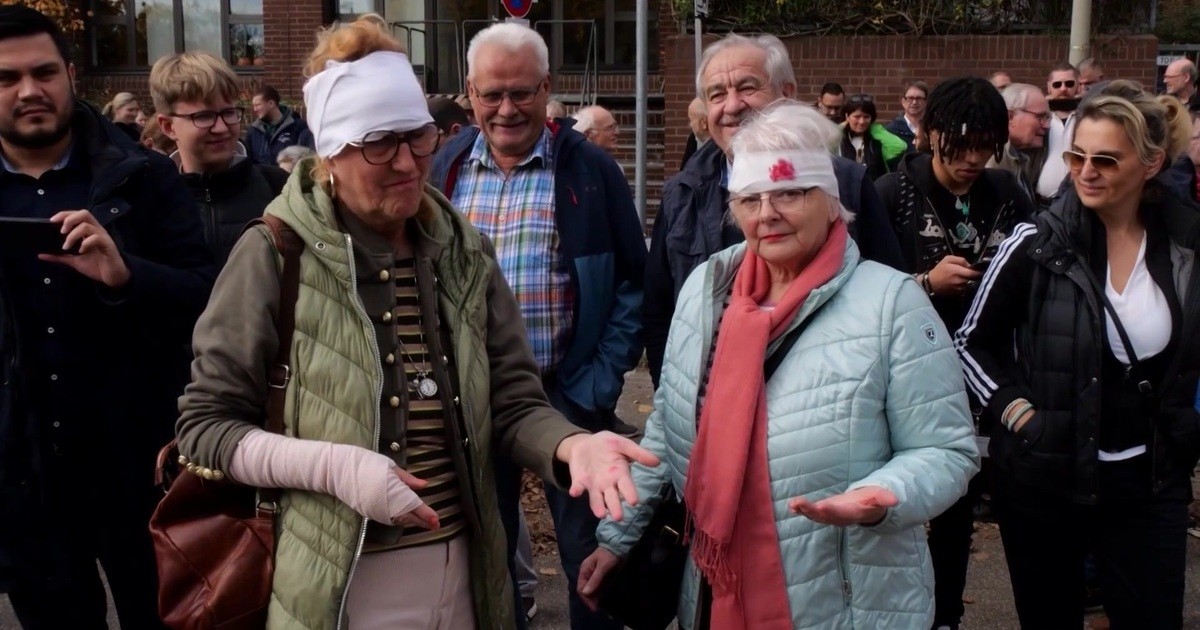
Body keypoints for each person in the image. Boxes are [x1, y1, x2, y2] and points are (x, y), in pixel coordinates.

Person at [176, 16, 658, 630]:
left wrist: (571, 445)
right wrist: (336, 468)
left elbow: (511, 402)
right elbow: (204, 427)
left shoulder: (464, 253)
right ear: (331, 152)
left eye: (419, 137)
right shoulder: (275, 254)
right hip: (337, 580)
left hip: (467, 572)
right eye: (380, 142)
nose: (408, 163)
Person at [580, 100, 980, 630]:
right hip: (711, 589)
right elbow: (672, 431)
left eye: (790, 192)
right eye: (749, 198)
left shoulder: (892, 302)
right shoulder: (706, 288)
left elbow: (946, 448)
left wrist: (886, 496)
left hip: (844, 597)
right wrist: (619, 536)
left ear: (831, 201)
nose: (766, 212)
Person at [0, 6, 216, 628]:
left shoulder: (142, 176)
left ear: (71, 74)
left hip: (137, 468)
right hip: (26, 476)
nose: (29, 91)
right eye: (7, 78)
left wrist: (127, 277)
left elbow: (207, 296)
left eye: (44, 72)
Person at [428, 20, 648, 630]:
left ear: (546, 87)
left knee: (588, 554)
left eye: (521, 92)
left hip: (567, 393)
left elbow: (634, 279)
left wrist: (601, 381)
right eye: (491, 93)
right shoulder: (442, 170)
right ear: (469, 91)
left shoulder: (591, 172)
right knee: (487, 549)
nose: (505, 109)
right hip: (471, 395)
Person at [956, 86, 1200, 630]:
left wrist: (1188, 429)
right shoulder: (1036, 241)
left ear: (1152, 163)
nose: (1086, 172)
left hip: (1149, 485)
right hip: (1045, 482)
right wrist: (1021, 416)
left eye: (1107, 159)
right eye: (1076, 157)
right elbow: (971, 340)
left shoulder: (1187, 243)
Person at [643, 34, 904, 389]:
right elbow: (660, 313)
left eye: (748, 87)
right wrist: (675, 403)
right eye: (717, 94)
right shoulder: (682, 193)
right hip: (712, 407)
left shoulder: (847, 183)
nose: (732, 106)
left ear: (788, 93)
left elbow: (890, 298)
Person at [875, 77, 1034, 630]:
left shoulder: (1009, 194)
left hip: (987, 371)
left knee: (962, 508)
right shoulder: (892, 193)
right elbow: (863, 290)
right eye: (960, 145)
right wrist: (924, 281)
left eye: (984, 146)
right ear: (932, 134)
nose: (971, 159)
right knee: (905, 503)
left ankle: (945, 616)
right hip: (911, 372)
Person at [151, 52, 289, 267]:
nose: (222, 128)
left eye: (229, 113)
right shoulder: (151, 203)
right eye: (204, 116)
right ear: (168, 126)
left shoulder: (280, 188)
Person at [988, 82, 1050, 202]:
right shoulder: (992, 157)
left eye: (1047, 118)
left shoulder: (1023, 153)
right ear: (1010, 116)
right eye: (1040, 117)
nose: (1046, 125)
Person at [1035, 62, 1079, 211]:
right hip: (1042, 203)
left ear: (1078, 85)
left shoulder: (1087, 117)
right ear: (1049, 87)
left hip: (1077, 201)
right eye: (1057, 84)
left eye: (1069, 83)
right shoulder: (1038, 118)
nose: (1063, 89)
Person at [838, 93, 906, 182]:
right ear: (847, 116)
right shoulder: (839, 140)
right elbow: (824, 143)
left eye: (866, 117)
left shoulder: (876, 141)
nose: (862, 121)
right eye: (857, 117)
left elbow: (900, 146)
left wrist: (873, 128)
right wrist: (841, 128)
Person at [247, 85, 314, 165]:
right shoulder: (253, 131)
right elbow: (249, 162)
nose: (255, 109)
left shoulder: (299, 127)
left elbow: (308, 159)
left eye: (258, 105)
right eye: (254, 106)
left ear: (271, 103)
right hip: (261, 177)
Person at [886, 79, 928, 150]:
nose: (914, 102)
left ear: (926, 102)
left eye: (919, 98)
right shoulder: (890, 131)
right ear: (903, 102)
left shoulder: (933, 130)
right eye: (910, 98)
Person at [680, 96, 710, 168]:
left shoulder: (721, 148)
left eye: (691, 120)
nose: (690, 125)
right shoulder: (693, 140)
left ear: (704, 122)